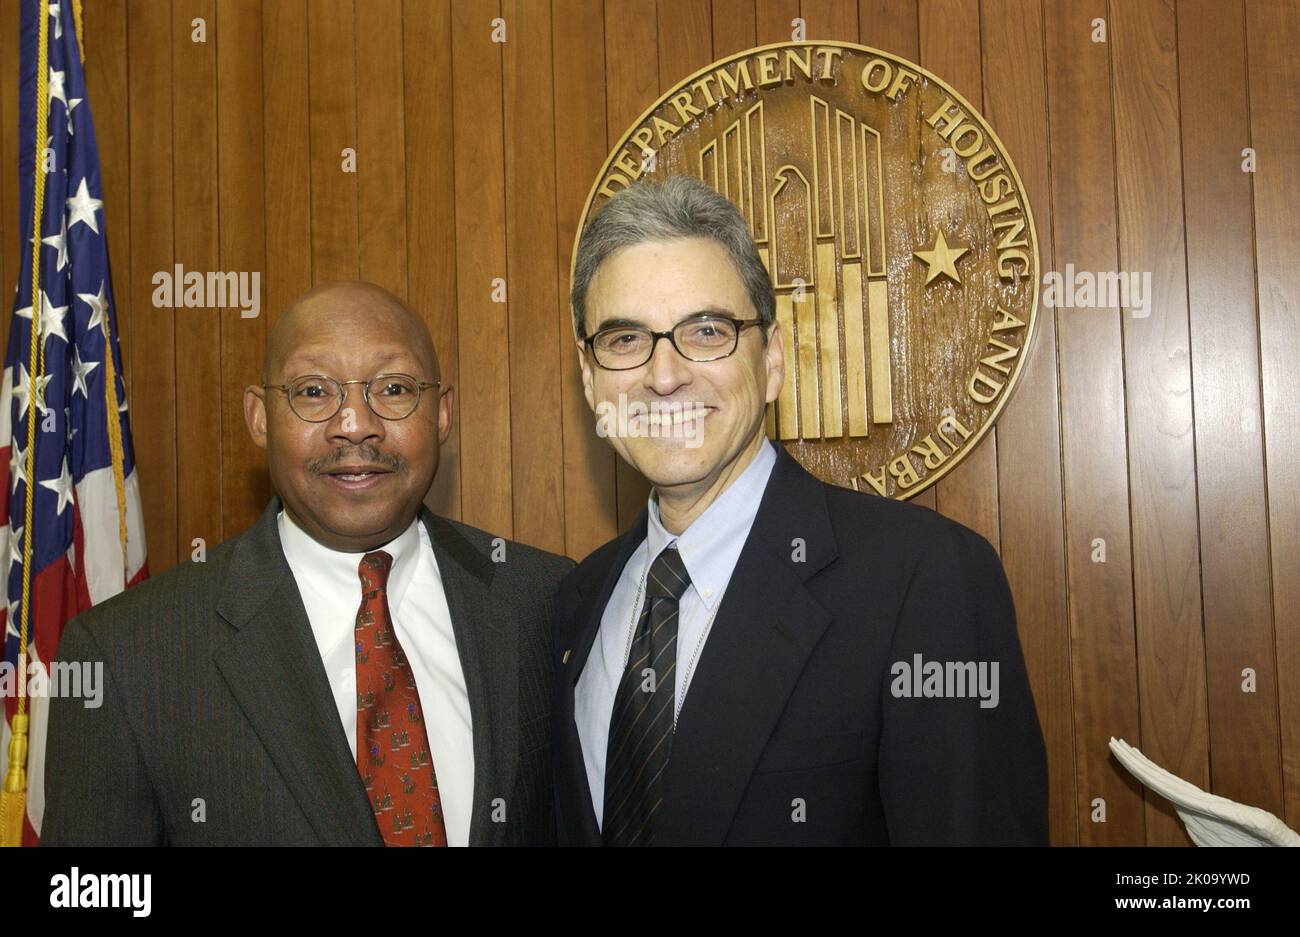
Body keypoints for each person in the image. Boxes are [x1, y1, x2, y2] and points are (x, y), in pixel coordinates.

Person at [553, 176, 1048, 845]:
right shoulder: (578, 599)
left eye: (706, 330)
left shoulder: (922, 581)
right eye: (624, 339)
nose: (663, 375)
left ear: (773, 359)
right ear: (590, 379)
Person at [42, 281, 572, 846]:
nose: (354, 425)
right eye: (314, 392)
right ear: (260, 417)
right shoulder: (127, 653)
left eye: (393, 389)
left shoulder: (546, 599)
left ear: (441, 415)